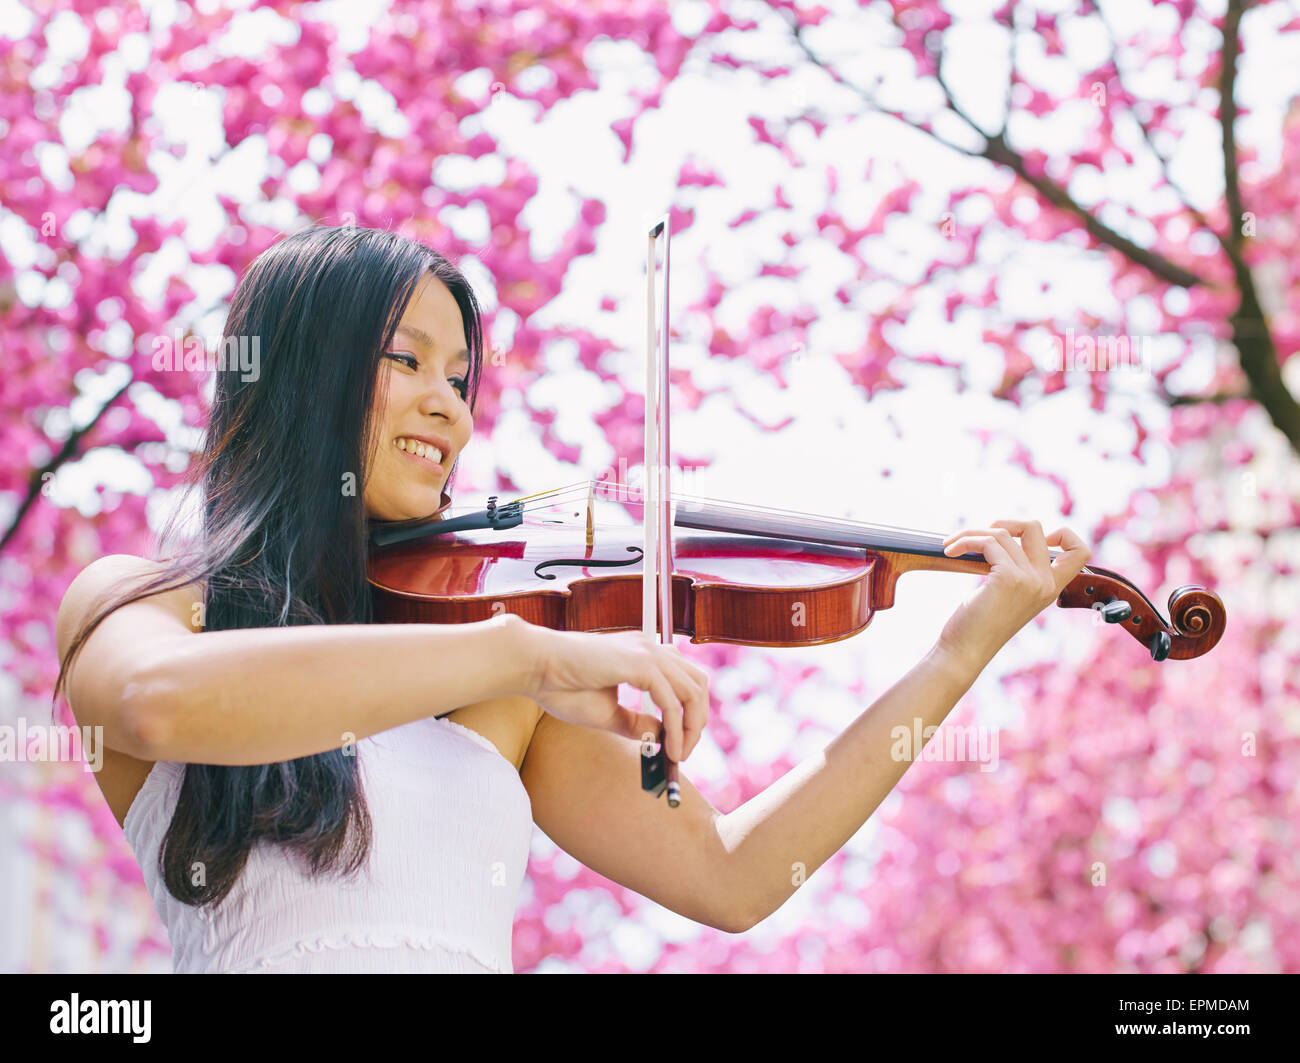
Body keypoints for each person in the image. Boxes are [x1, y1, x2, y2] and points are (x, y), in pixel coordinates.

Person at [54, 224, 1091, 973]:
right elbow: (156, 700)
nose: (444, 405)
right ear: (299, 381)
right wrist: (521, 654)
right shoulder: (159, 604)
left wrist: (956, 655)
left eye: (461, 378)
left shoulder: (497, 672)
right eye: (402, 360)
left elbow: (732, 876)